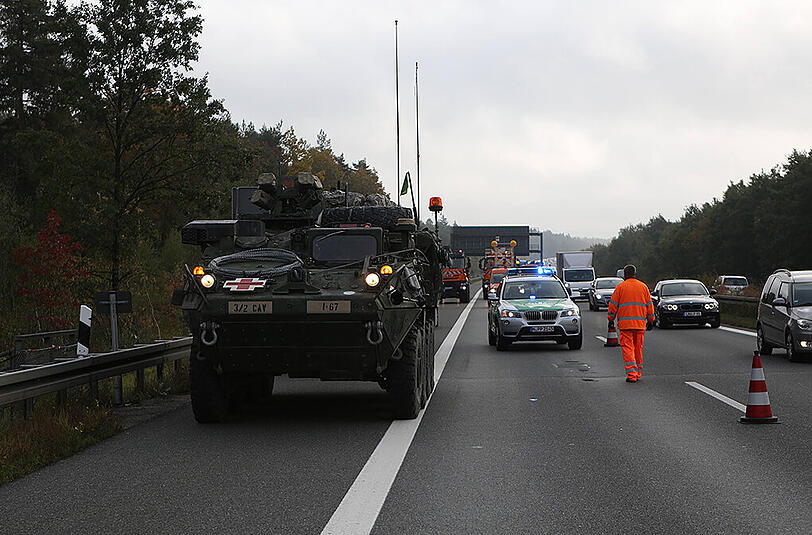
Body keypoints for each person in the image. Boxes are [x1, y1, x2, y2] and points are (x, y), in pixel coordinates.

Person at [607, 265, 655, 382]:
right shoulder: (643, 287)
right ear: (635, 273)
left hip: (625, 325)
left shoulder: (620, 287)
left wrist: (611, 319)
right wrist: (651, 320)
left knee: (628, 349)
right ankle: (638, 373)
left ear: (624, 274)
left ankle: (632, 374)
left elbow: (613, 305)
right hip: (640, 325)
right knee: (638, 348)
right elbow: (649, 305)